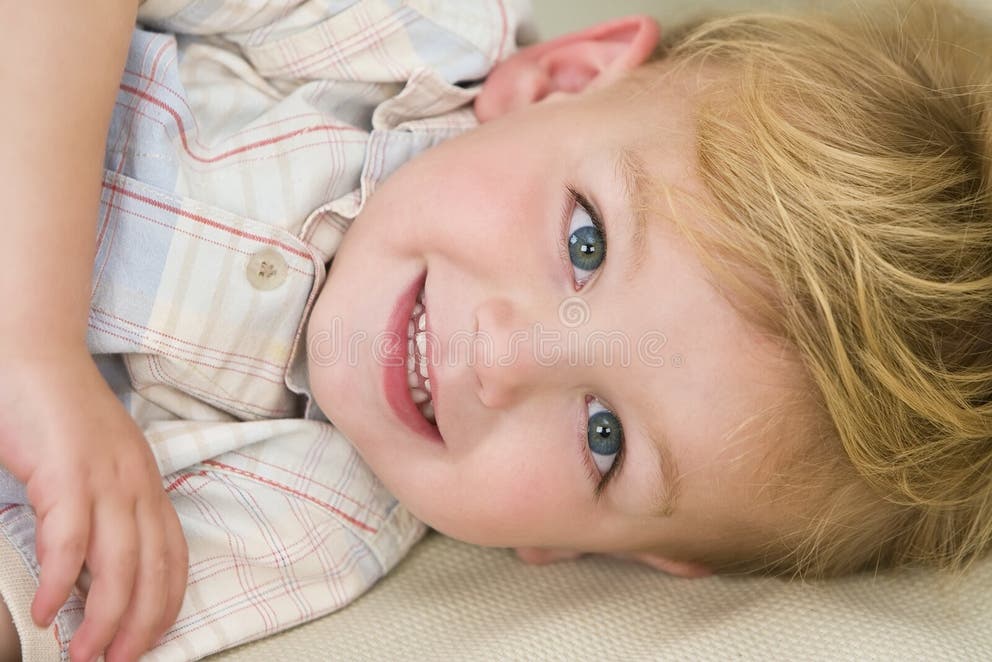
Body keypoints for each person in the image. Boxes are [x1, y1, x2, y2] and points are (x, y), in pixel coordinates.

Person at [3, 0, 992, 660]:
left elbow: (33, 601)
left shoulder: (314, 527)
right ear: (561, 79)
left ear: (585, 546)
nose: (503, 356)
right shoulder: (399, 35)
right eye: (585, 239)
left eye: (604, 435)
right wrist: (33, 341)